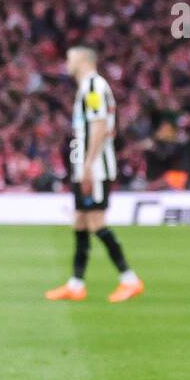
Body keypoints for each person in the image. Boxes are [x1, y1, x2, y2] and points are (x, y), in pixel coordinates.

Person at [45, 46, 143, 303]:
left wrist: (88, 166)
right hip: (86, 167)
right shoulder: (88, 87)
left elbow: (99, 126)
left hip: (96, 168)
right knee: (79, 221)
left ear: (83, 59)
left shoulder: (93, 87)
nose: (66, 62)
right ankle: (76, 284)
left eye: (69, 57)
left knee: (96, 222)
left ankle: (129, 279)